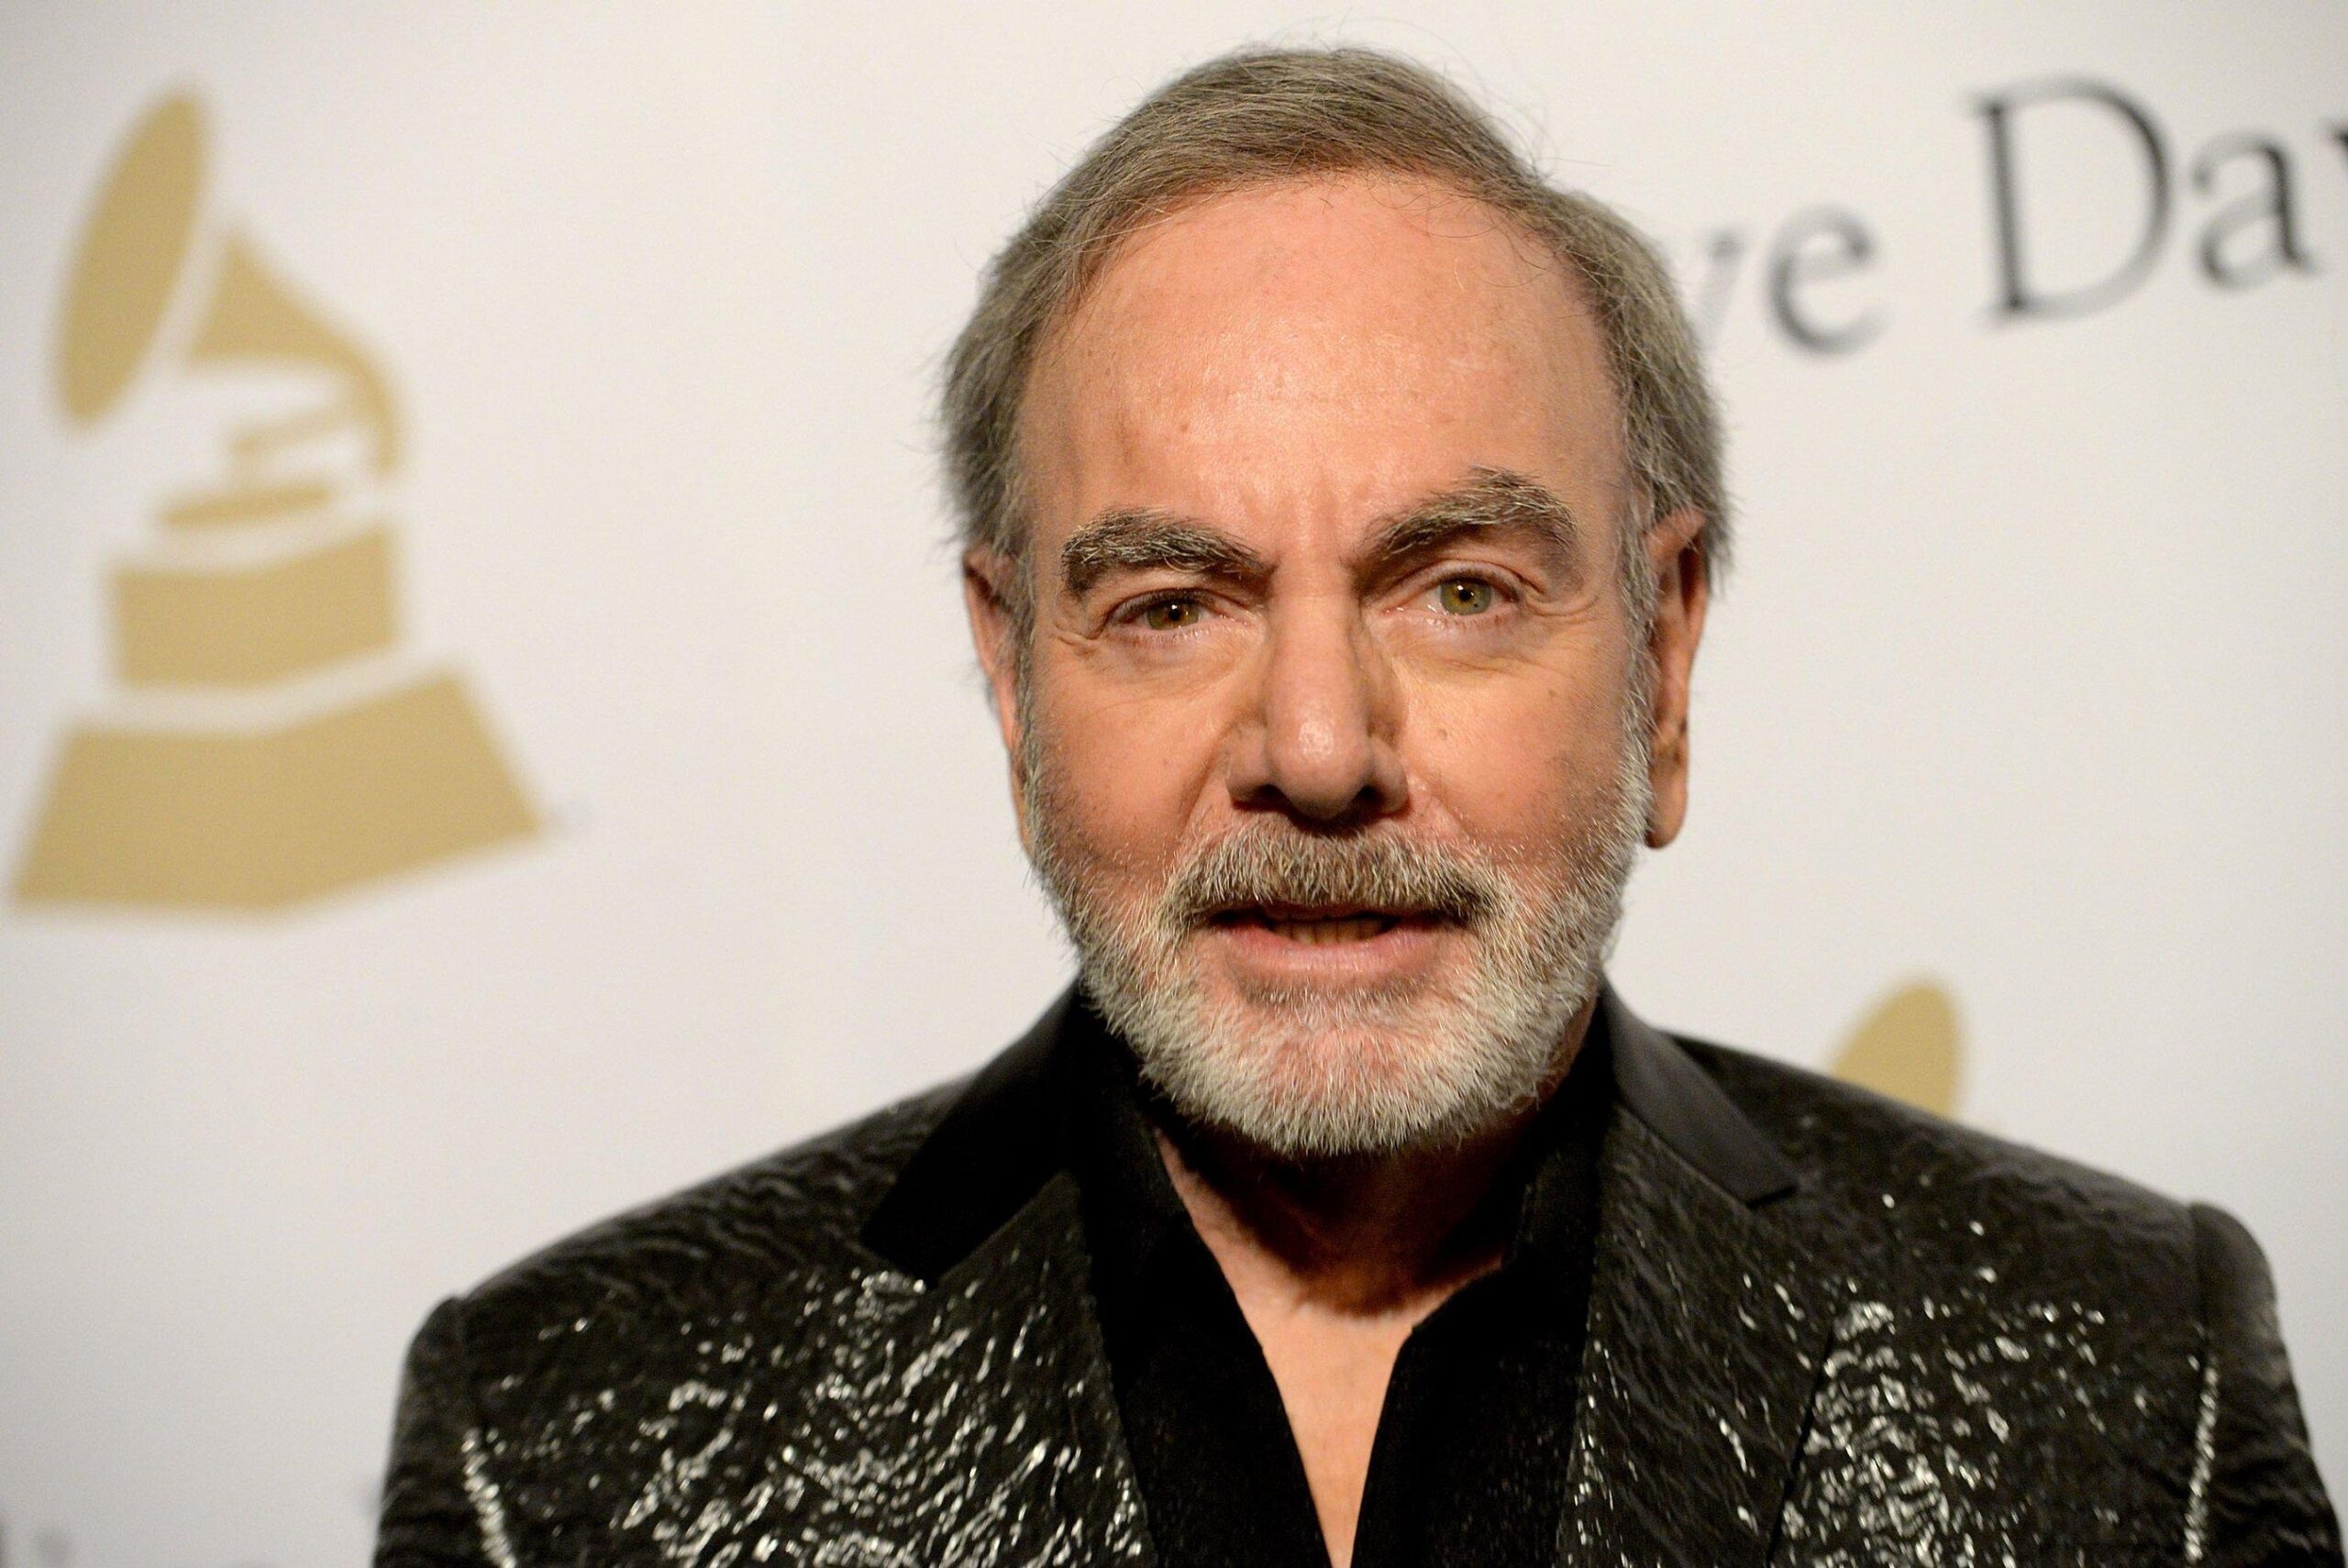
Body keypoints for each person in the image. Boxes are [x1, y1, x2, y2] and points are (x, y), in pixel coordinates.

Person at [373, 46, 2340, 1567]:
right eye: (1171, 604)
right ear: (1014, 684)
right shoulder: (558, 1449)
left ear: (1660, 659)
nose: (1317, 749)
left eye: (1458, 590)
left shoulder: (2121, 1380)